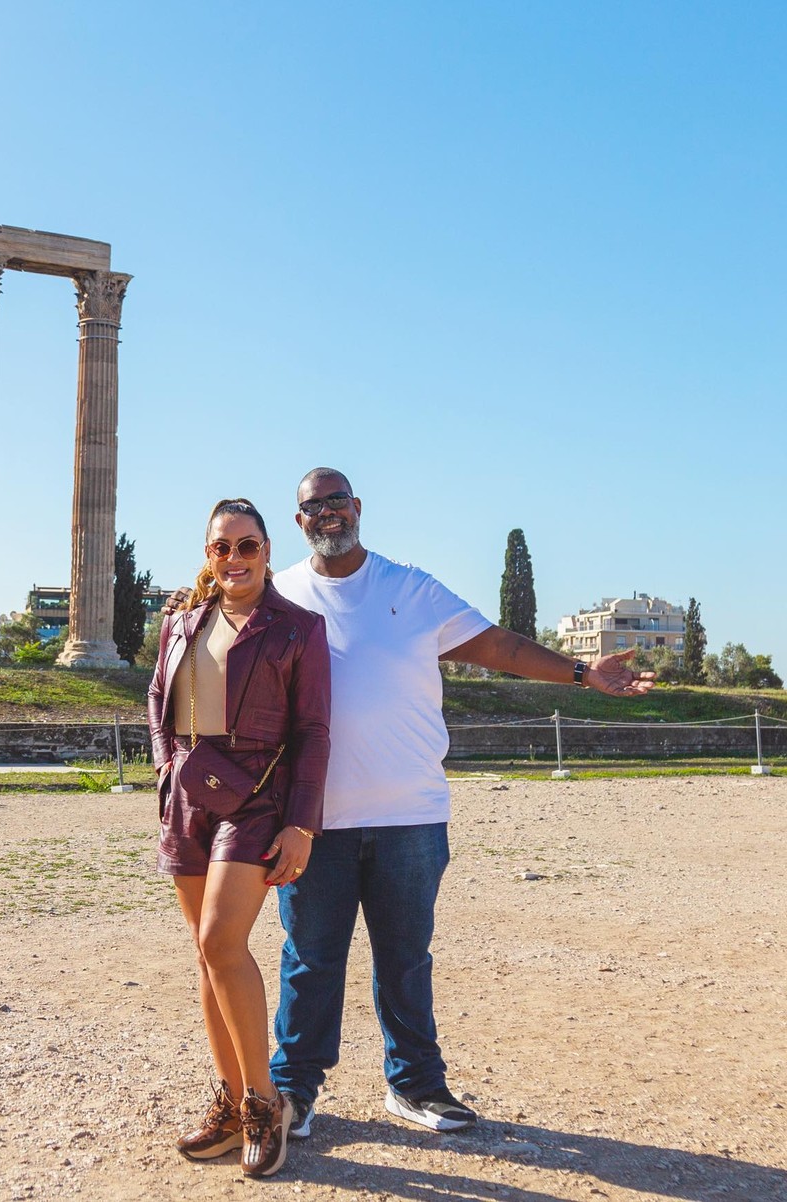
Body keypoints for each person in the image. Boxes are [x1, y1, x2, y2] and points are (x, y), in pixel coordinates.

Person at [265, 468, 656, 1138]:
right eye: (312, 506)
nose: (327, 513)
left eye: (337, 501)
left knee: (406, 957)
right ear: (298, 521)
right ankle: (293, 1092)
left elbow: (498, 646)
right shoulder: (278, 597)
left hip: (409, 816)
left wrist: (582, 673)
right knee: (310, 958)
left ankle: (415, 1086)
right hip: (313, 819)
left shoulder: (409, 588)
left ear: (357, 508)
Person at [147, 497, 330, 1178]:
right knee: (206, 956)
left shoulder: (297, 629)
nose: (235, 558)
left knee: (223, 941)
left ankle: (264, 1103)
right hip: (187, 797)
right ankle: (227, 1104)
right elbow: (156, 699)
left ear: (266, 551)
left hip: (256, 799)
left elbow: (313, 732)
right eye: (222, 547)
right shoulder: (179, 623)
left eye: (247, 545)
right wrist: (166, 764)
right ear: (208, 555)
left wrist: (301, 822)